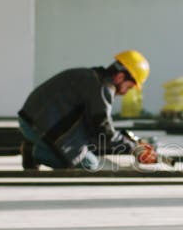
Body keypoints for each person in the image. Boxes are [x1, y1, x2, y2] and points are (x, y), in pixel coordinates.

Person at [18, 50, 159, 171]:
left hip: (30, 119)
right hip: (38, 126)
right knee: (89, 165)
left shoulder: (91, 77)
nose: (126, 92)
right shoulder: (103, 88)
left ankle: (37, 148)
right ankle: (35, 152)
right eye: (128, 87)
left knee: (87, 149)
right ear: (120, 77)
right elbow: (103, 132)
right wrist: (134, 148)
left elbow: (95, 130)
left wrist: (129, 142)